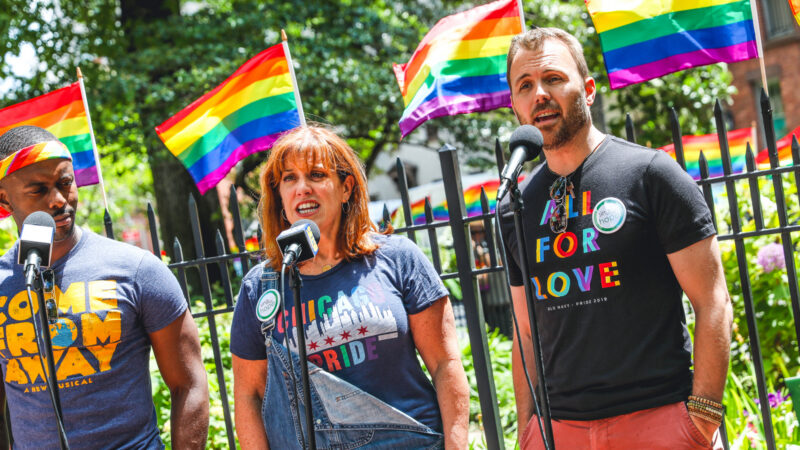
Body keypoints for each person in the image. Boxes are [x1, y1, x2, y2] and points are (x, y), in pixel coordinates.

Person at [499, 28, 732, 449]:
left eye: (553, 78)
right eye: (526, 86)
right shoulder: (516, 205)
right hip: (562, 430)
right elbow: (527, 333)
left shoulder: (651, 174)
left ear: (588, 90)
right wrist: (528, 432)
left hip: (660, 420)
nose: (540, 95)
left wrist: (702, 419)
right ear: (515, 106)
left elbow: (712, 300)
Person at [231, 125, 469, 449]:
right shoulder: (260, 287)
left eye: (316, 175)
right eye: (290, 178)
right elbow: (249, 395)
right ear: (280, 196)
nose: (302, 188)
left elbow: (446, 364)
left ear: (346, 188)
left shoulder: (397, 259)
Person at [0, 125, 209, 449]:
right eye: (38, 190)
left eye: (65, 183)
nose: (58, 200)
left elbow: (190, 383)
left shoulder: (137, 270)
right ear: (5, 199)